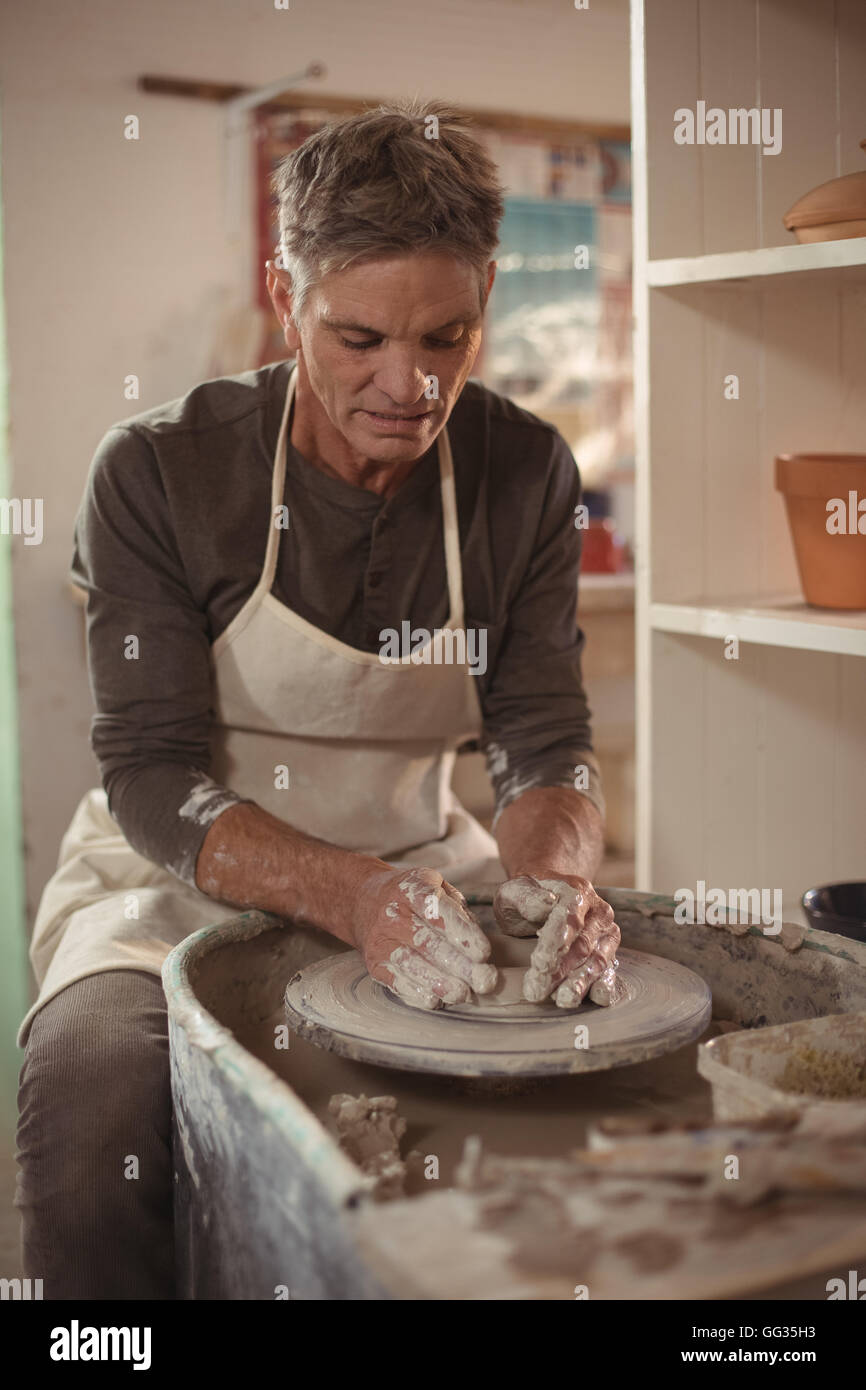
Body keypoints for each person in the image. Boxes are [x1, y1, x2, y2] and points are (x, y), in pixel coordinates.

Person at [15, 98, 619, 1300]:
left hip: (426, 873)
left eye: (446, 338)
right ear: (287, 296)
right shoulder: (158, 469)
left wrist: (561, 879)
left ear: (487, 299)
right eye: (358, 341)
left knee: (553, 1119)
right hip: (167, 889)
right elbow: (146, 772)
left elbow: (545, 744)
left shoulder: (523, 468)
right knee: (90, 1132)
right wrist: (350, 896)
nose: (409, 385)